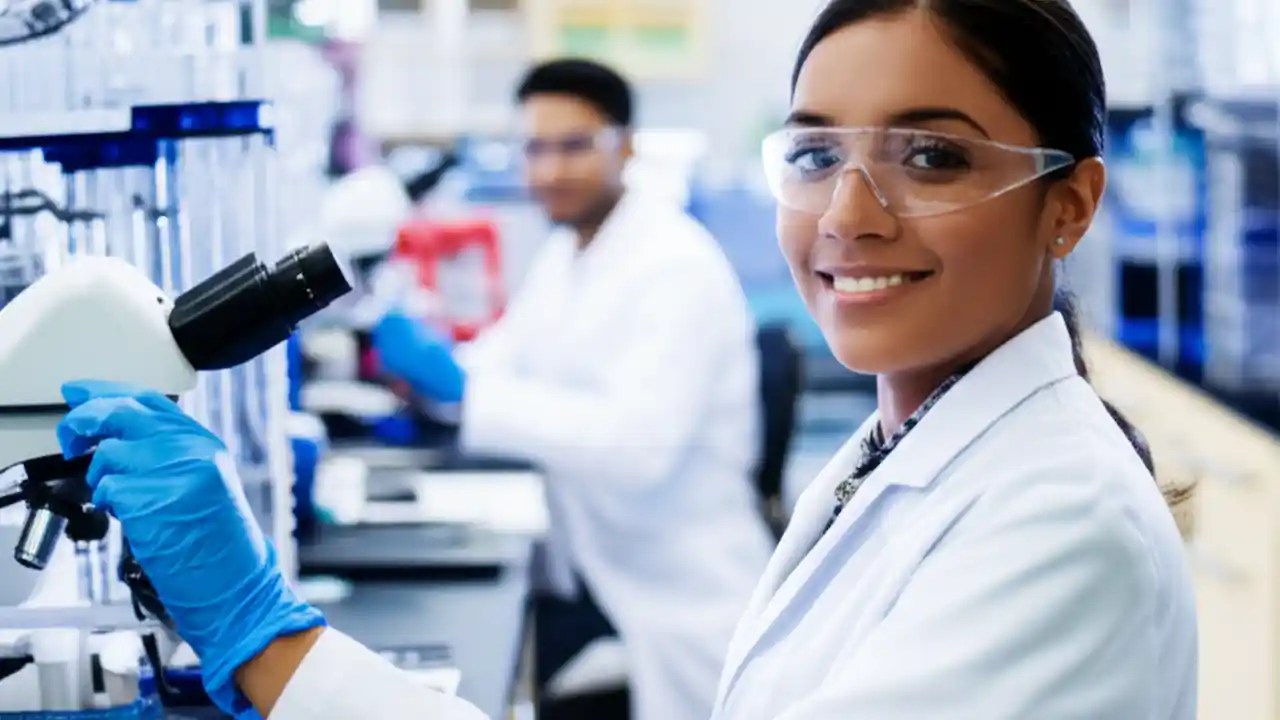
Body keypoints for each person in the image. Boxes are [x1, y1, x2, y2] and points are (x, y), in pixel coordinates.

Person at [55, 1, 1197, 718]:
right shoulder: (920, 442)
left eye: (930, 155)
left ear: (1067, 205)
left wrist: (273, 643)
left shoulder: (1057, 524)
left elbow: (631, 443)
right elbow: (510, 364)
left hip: (667, 613)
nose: (847, 214)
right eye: (811, 153)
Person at [367, 58, 776, 720]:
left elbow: (636, 448)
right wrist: (426, 386)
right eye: (535, 148)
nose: (551, 170)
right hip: (599, 572)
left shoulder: (675, 265)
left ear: (628, 145)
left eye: (575, 146)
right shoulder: (571, 252)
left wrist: (467, 397)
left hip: (683, 592)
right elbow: (503, 362)